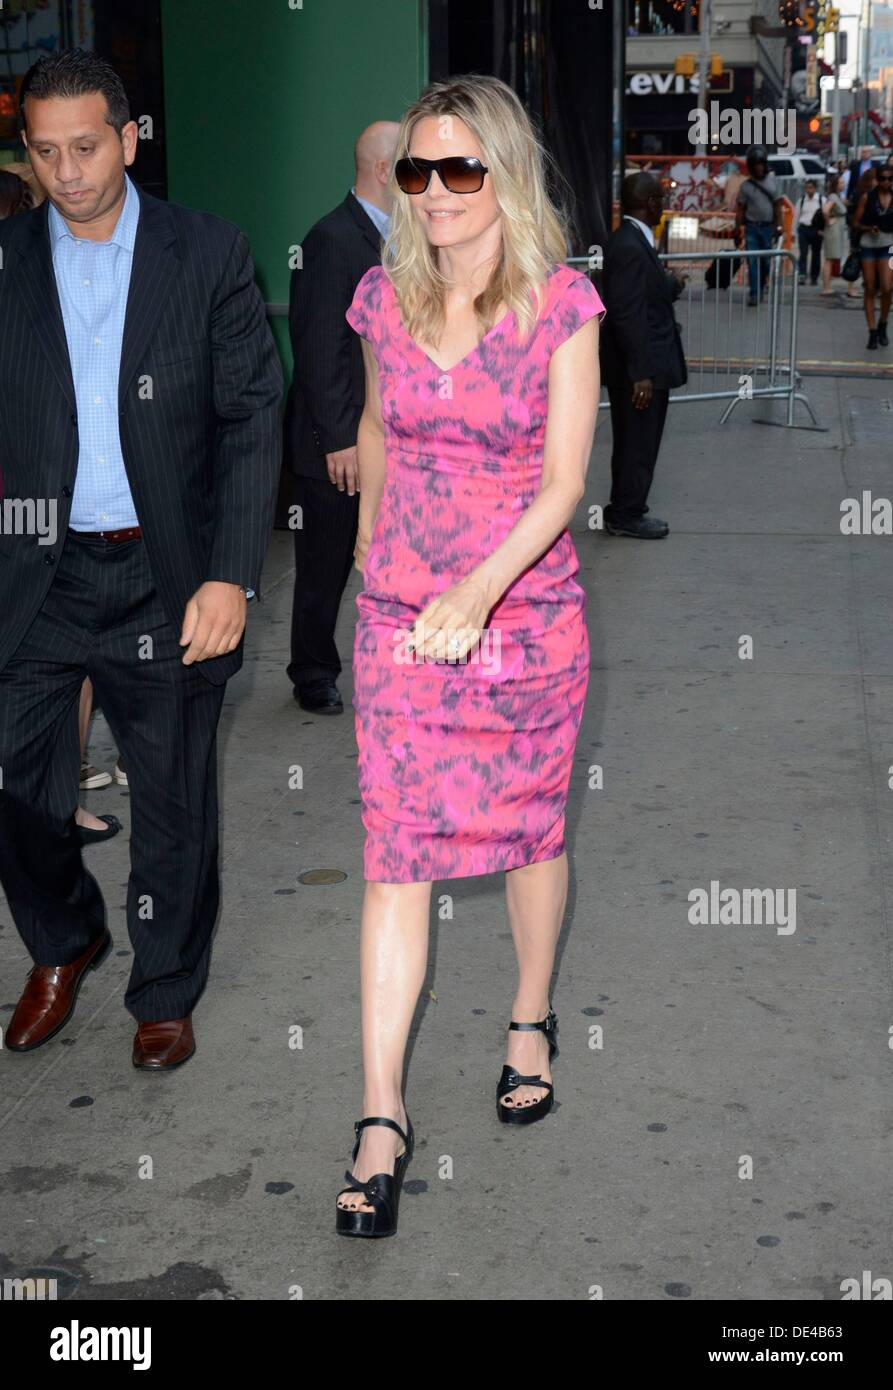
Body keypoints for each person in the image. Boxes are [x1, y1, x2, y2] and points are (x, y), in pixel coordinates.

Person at [336, 73, 603, 1238]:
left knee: (525, 833)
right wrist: (364, 568)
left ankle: (529, 1016)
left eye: (459, 170)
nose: (435, 193)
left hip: (522, 624)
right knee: (394, 851)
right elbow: (376, 431)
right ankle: (381, 1114)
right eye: (416, 172)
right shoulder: (379, 296)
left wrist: (477, 591)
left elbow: (561, 484)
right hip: (401, 621)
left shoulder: (563, 305)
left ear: (502, 171)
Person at [0, 49, 282, 1069]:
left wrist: (227, 571)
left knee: (171, 798)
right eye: (44, 152)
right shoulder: (7, 259)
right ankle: (64, 938)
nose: (67, 171)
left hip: (166, 574)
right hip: (35, 573)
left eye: (86, 146)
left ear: (128, 138)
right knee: (17, 786)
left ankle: (163, 986)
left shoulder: (205, 252)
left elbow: (253, 414)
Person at [283, 121, 399, 715]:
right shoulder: (332, 239)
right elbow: (319, 345)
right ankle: (312, 672)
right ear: (384, 171)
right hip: (339, 445)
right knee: (324, 566)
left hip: (381, 437)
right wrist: (340, 440)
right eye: (409, 165)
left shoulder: (395, 238)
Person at [599, 172, 687, 540]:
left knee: (638, 441)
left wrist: (671, 283)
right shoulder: (630, 246)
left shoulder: (632, 241)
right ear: (650, 203)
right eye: (660, 199)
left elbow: (642, 295)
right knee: (638, 443)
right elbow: (627, 313)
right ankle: (626, 513)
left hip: (643, 365)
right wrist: (641, 374)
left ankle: (627, 507)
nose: (664, 206)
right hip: (640, 370)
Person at [735, 146, 784, 306]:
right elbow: (740, 210)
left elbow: (778, 206)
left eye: (761, 164)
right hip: (751, 228)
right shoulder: (745, 187)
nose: (759, 168)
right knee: (752, 261)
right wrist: (737, 230)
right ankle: (754, 293)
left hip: (767, 228)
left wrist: (779, 227)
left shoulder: (773, 183)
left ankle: (762, 284)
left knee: (766, 262)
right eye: (756, 164)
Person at [854, 163, 893, 348]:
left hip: (889, 245)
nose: (886, 182)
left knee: (886, 287)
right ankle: (871, 331)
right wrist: (869, 227)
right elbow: (856, 223)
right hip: (868, 244)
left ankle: (883, 323)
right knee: (870, 287)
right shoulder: (867, 197)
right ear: (877, 179)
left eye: (890, 179)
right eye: (883, 178)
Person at [821, 173, 848, 295]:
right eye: (841, 182)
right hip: (833, 231)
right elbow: (825, 210)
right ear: (836, 185)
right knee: (829, 259)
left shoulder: (837, 196)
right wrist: (829, 221)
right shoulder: (833, 196)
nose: (844, 184)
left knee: (831, 259)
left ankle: (828, 285)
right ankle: (826, 287)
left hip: (837, 231)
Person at [795, 178, 823, 286]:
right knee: (803, 253)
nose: (808, 190)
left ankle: (814, 277)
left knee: (816, 254)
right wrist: (794, 232)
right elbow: (796, 216)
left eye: (810, 188)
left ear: (815, 188)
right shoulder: (802, 201)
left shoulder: (821, 200)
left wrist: (822, 229)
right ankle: (802, 275)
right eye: (806, 188)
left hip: (816, 230)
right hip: (804, 229)